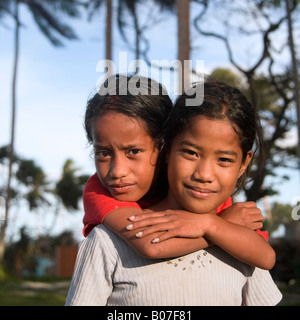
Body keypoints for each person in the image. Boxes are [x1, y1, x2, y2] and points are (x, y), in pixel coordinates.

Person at [66, 77, 282, 306]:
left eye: (224, 159)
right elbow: (150, 243)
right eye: (190, 153)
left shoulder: (235, 238)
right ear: (168, 147)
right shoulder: (106, 238)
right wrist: (213, 225)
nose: (204, 175)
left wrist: (213, 224)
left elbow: (266, 257)